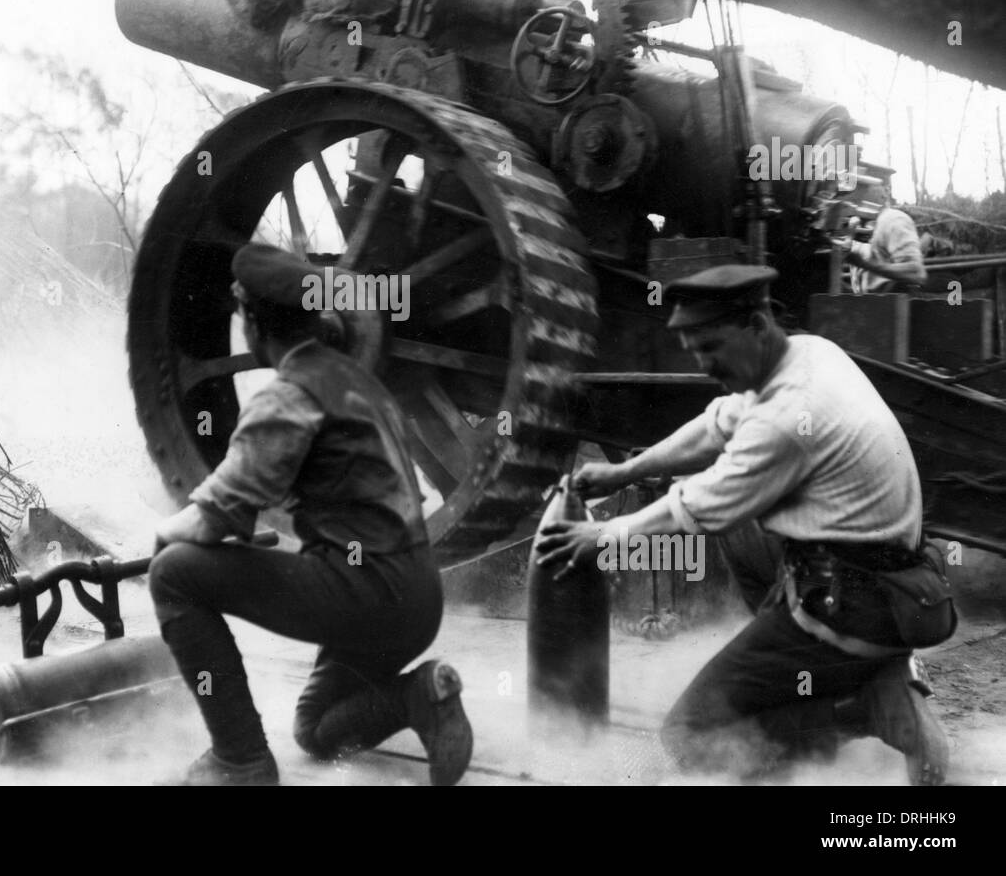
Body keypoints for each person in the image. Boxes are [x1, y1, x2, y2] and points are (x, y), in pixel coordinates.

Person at [534, 264, 952, 785]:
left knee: (688, 739)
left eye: (712, 348)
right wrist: (627, 471)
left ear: (756, 325)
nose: (706, 365)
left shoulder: (790, 416)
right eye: (696, 353)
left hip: (854, 604)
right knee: (742, 533)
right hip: (880, 577)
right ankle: (848, 674)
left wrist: (603, 536)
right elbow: (716, 425)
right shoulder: (809, 353)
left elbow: (700, 506)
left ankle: (860, 704)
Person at [147, 244, 473, 786]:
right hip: (418, 597)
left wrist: (163, 534)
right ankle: (420, 697)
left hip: (366, 594)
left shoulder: (288, 396)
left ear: (252, 321)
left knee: (174, 572)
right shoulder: (361, 381)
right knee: (316, 730)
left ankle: (239, 760)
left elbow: (213, 519)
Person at [841, 188, 927, 294]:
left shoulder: (893, 220)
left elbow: (915, 273)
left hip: (896, 304)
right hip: (873, 304)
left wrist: (866, 264)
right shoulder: (859, 225)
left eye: (862, 188)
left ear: (882, 195)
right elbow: (867, 285)